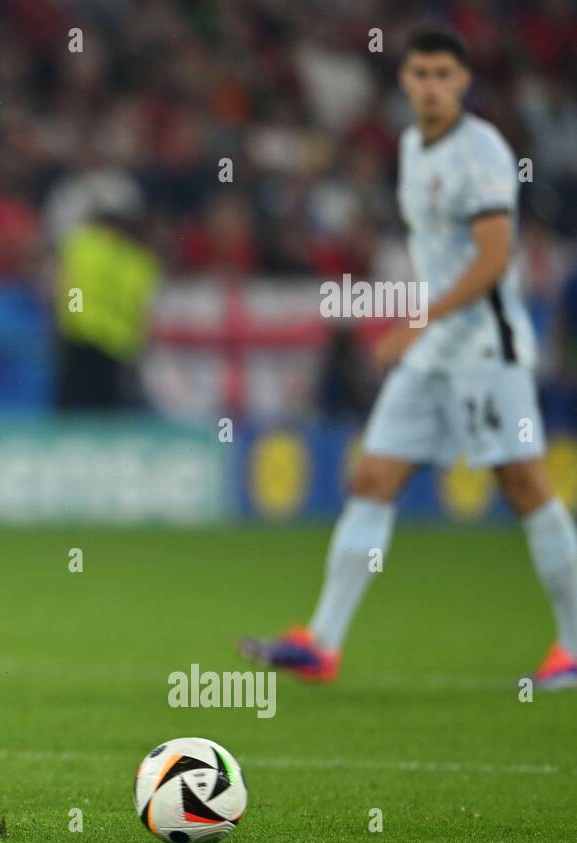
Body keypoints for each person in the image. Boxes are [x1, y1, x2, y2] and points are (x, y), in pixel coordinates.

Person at [240, 25, 577, 690]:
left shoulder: (481, 154)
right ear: (404, 80)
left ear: (462, 82)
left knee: (526, 488)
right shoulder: (411, 146)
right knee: (371, 479)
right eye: (419, 73)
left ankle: (574, 645)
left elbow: (493, 259)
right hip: (433, 353)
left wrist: (415, 321)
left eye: (442, 75)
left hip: (484, 349)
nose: (430, 85)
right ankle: (323, 643)